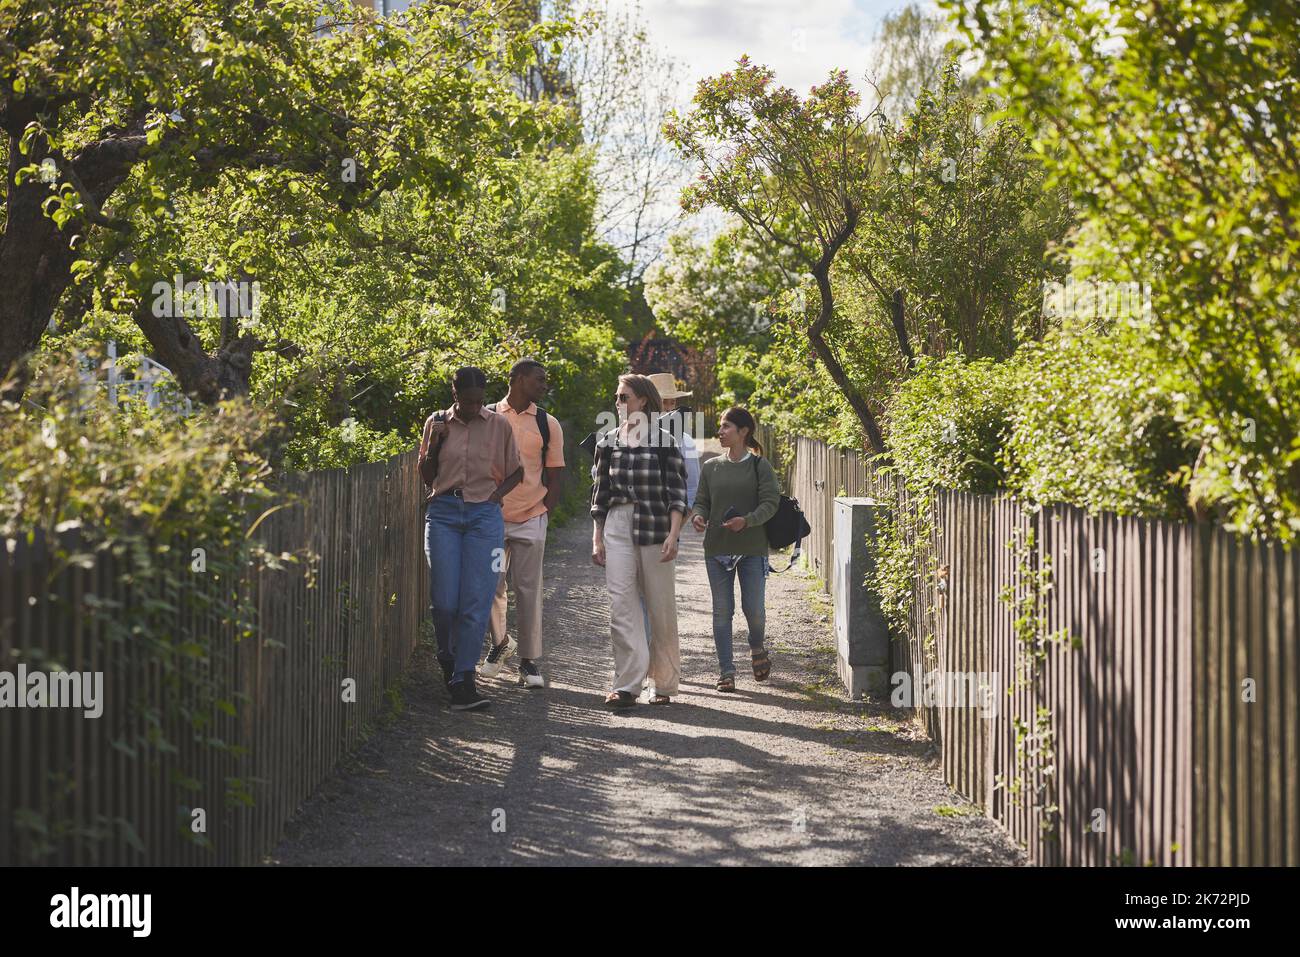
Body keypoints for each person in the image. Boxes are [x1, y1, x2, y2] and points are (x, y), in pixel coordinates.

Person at [419, 367, 524, 711]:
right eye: (467, 401)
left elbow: (516, 471)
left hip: (483, 516)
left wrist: (496, 498)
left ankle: (464, 679)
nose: (474, 407)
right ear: (455, 396)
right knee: (445, 601)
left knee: (476, 600)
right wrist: (434, 444)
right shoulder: (437, 422)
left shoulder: (499, 425)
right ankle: (447, 658)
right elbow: (427, 475)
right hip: (445, 513)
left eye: (479, 401)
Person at [590, 374, 689, 708]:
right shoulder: (606, 442)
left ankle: (663, 683)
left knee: (660, 606)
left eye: (624, 397)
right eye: (617, 398)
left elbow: (677, 494)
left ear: (643, 401)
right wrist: (597, 537)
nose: (618, 404)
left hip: (655, 525)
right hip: (617, 525)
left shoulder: (664, 442)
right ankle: (627, 684)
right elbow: (600, 495)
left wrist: (674, 535)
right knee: (621, 606)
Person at [478, 359, 566, 688]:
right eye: (539, 379)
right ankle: (499, 645)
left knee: (528, 590)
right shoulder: (487, 416)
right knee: (492, 585)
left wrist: (545, 510)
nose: (544, 385)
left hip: (531, 518)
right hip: (491, 521)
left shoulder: (547, 423)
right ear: (517, 378)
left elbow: (555, 473)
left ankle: (529, 663)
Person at [690, 407, 780, 692]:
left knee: (753, 609)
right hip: (717, 547)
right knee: (721, 611)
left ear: (743, 432)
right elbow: (701, 500)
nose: (720, 432)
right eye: (720, 426)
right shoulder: (711, 467)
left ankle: (756, 646)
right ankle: (726, 672)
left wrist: (748, 521)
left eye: (726, 426)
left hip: (752, 547)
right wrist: (698, 516)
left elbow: (771, 503)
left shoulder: (759, 466)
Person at [646, 372, 700, 508]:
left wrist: (677, 525)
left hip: (667, 518)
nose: (669, 408)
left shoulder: (684, 440)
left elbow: (692, 486)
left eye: (673, 402)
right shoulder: (628, 434)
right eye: (664, 402)